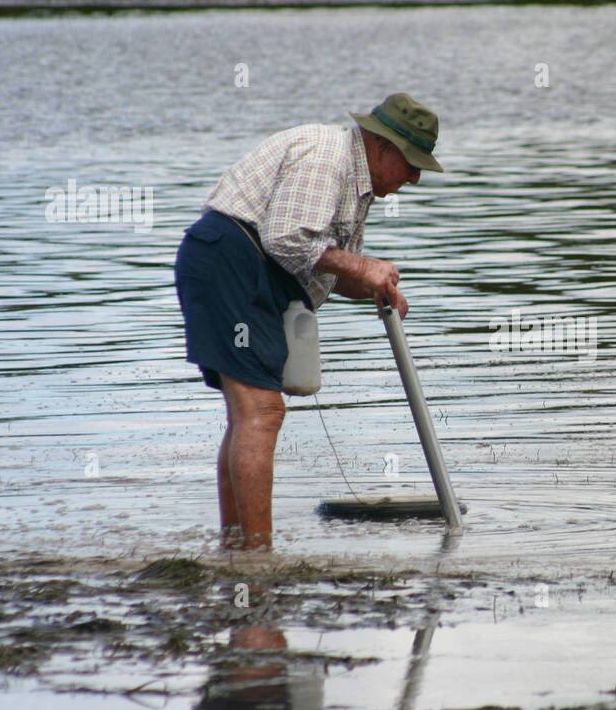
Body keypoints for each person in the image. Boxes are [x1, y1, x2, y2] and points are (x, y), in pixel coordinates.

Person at [174, 92, 444, 549]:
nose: (415, 179)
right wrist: (364, 267)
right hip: (231, 259)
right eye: (412, 164)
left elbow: (318, 263)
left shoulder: (357, 181)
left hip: (250, 267)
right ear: (382, 147)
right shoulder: (328, 157)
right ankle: (258, 558)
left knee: (249, 414)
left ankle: (238, 550)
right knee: (261, 410)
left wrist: (372, 287)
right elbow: (287, 239)